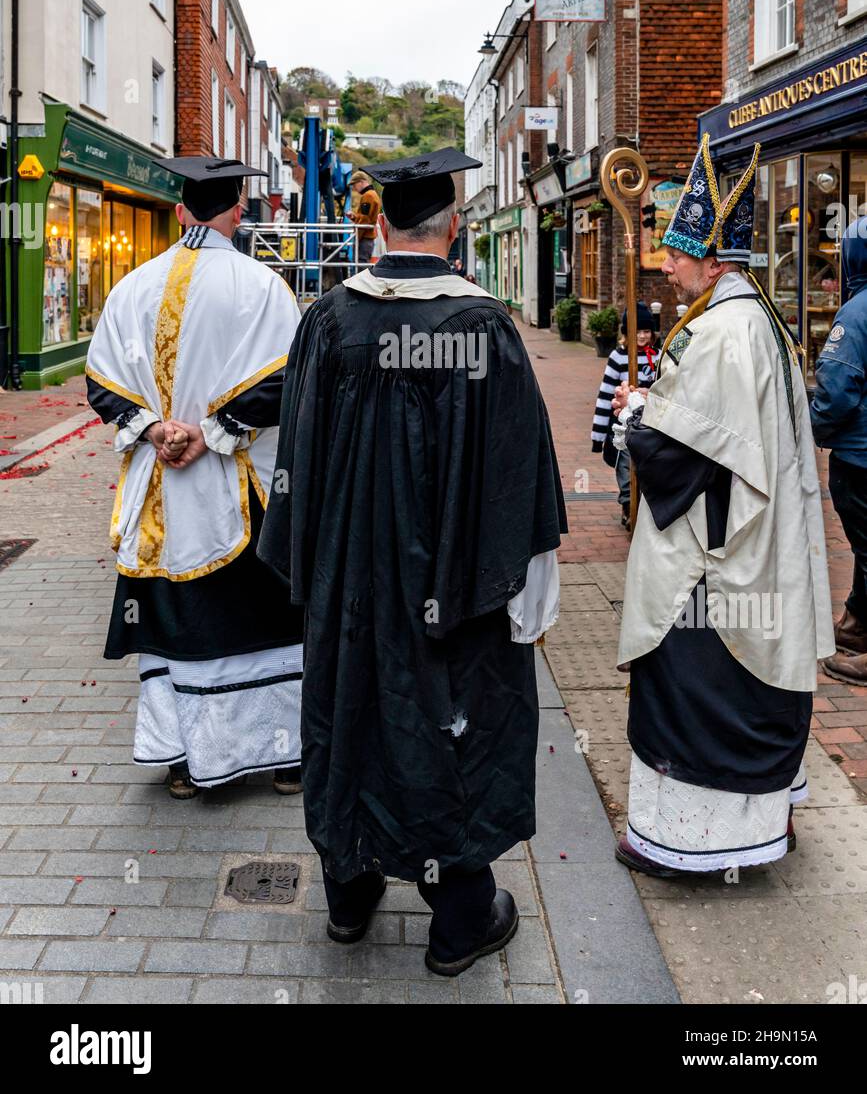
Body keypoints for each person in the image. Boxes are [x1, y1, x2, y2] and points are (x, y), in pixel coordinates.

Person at [258, 147, 567, 975]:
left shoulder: (328, 321)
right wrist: (525, 584)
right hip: (448, 593)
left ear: (376, 227)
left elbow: (297, 462)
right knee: (448, 728)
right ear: (454, 226)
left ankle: (349, 898)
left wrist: (304, 570)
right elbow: (515, 473)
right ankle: (460, 919)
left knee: (350, 712)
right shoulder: (481, 328)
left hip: (349, 585)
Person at [610, 135, 833, 877]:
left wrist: (635, 415)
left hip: (711, 560)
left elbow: (685, 456)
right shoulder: (750, 316)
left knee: (697, 685)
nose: (665, 265)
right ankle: (756, 826)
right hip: (748, 545)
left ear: (714, 261)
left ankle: (693, 844)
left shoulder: (723, 332)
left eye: (677, 252)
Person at [86, 158, 304, 799]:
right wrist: (210, 435)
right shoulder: (263, 287)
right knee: (262, 617)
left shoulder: (131, 286)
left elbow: (101, 380)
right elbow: (285, 380)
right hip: (234, 490)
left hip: (161, 491)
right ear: (237, 211)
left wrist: (157, 432)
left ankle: (185, 760)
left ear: (181, 210)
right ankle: (284, 756)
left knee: (177, 622)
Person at [810, 217, 867, 683]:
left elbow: (836, 391)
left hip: (860, 456)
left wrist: (812, 428)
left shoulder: (856, 313)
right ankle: (856, 624)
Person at [591, 302, 659, 525]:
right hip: (623, 423)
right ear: (626, 333)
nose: (642, 336)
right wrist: (598, 435)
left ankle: (644, 504)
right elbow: (604, 397)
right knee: (625, 463)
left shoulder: (657, 357)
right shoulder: (618, 357)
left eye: (646, 331)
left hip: (652, 422)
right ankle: (628, 504)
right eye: (637, 331)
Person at [347, 169, 381, 265]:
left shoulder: (368, 196)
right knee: (362, 264)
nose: (354, 188)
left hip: (364, 238)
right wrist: (354, 217)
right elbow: (366, 217)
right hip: (367, 237)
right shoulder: (372, 194)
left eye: (354, 184)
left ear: (361, 182)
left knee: (360, 266)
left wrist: (357, 238)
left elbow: (365, 220)